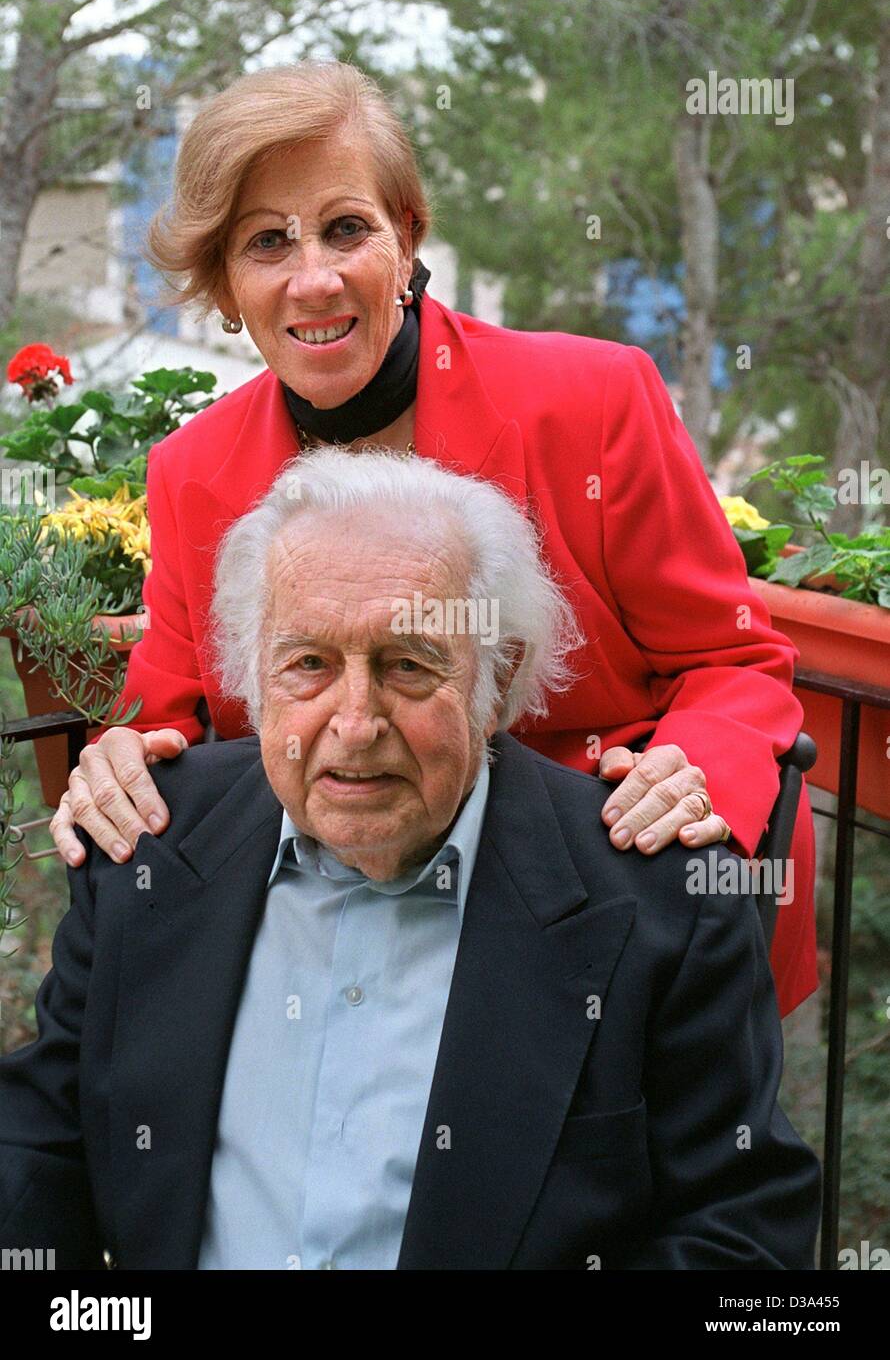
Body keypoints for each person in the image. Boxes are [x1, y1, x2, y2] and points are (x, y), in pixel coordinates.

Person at [48, 59, 817, 1020]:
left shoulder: (593, 402)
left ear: (407, 237)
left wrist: (695, 770)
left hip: (613, 906)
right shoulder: (193, 470)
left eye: (346, 229)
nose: (314, 278)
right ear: (224, 285)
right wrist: (120, 758)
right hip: (349, 936)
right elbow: (176, 716)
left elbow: (734, 660)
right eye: (266, 243)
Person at [0, 451, 821, 1270]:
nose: (354, 724)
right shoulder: (147, 844)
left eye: (408, 665)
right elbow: (41, 1147)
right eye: (309, 664)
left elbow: (742, 1234)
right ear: (254, 677)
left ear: (496, 680)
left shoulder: (658, 903)